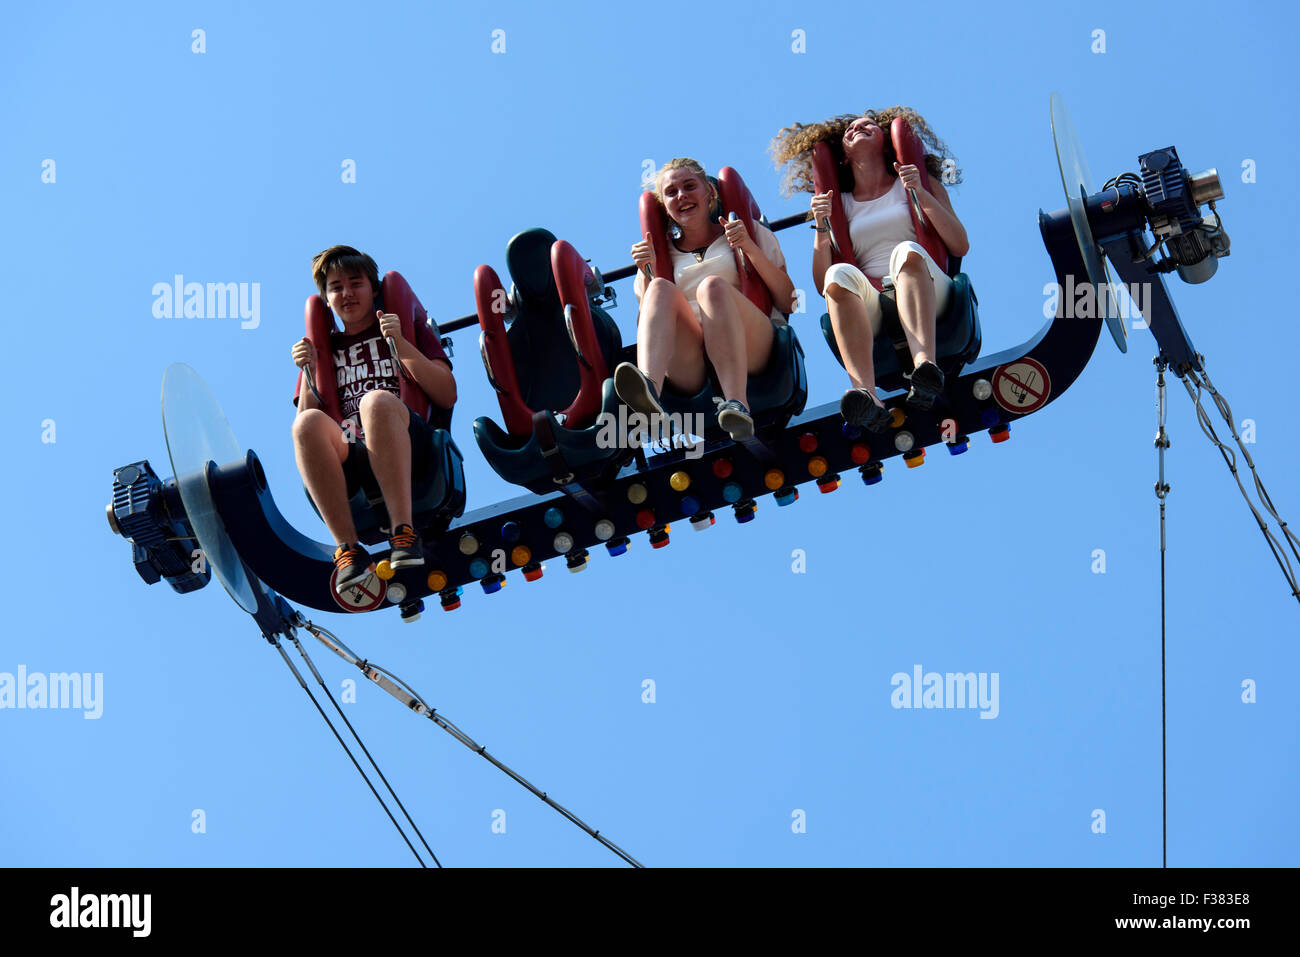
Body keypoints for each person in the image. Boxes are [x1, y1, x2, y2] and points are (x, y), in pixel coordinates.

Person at [771, 108, 969, 431]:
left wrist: (919, 192)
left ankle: (925, 367)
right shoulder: (841, 204)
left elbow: (960, 245)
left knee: (906, 252)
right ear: (844, 158)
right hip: (874, 302)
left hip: (930, 284)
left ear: (885, 141)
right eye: (850, 129)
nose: (858, 127)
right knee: (837, 276)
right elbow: (823, 283)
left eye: (868, 125)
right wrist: (821, 227)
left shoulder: (919, 181)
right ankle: (865, 393)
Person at [290, 245, 456, 594]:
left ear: (374, 288)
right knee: (304, 425)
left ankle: (402, 531)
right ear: (326, 297)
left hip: (409, 441)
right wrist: (308, 370)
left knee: (376, 402)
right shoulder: (324, 347)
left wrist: (400, 343)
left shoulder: (405, 329)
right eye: (336, 287)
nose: (346, 293)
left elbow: (446, 393)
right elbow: (309, 423)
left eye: (356, 283)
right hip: (354, 454)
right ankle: (348, 550)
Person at [615, 158, 796, 442]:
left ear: (710, 193)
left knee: (712, 287)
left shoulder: (751, 232)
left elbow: (789, 301)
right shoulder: (659, 256)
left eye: (689, 186)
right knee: (660, 288)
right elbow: (647, 328)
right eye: (671, 192)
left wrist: (747, 246)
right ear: (664, 206)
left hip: (751, 346)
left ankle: (737, 404)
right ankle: (649, 390)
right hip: (692, 362)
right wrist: (647, 273)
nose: (682, 196)